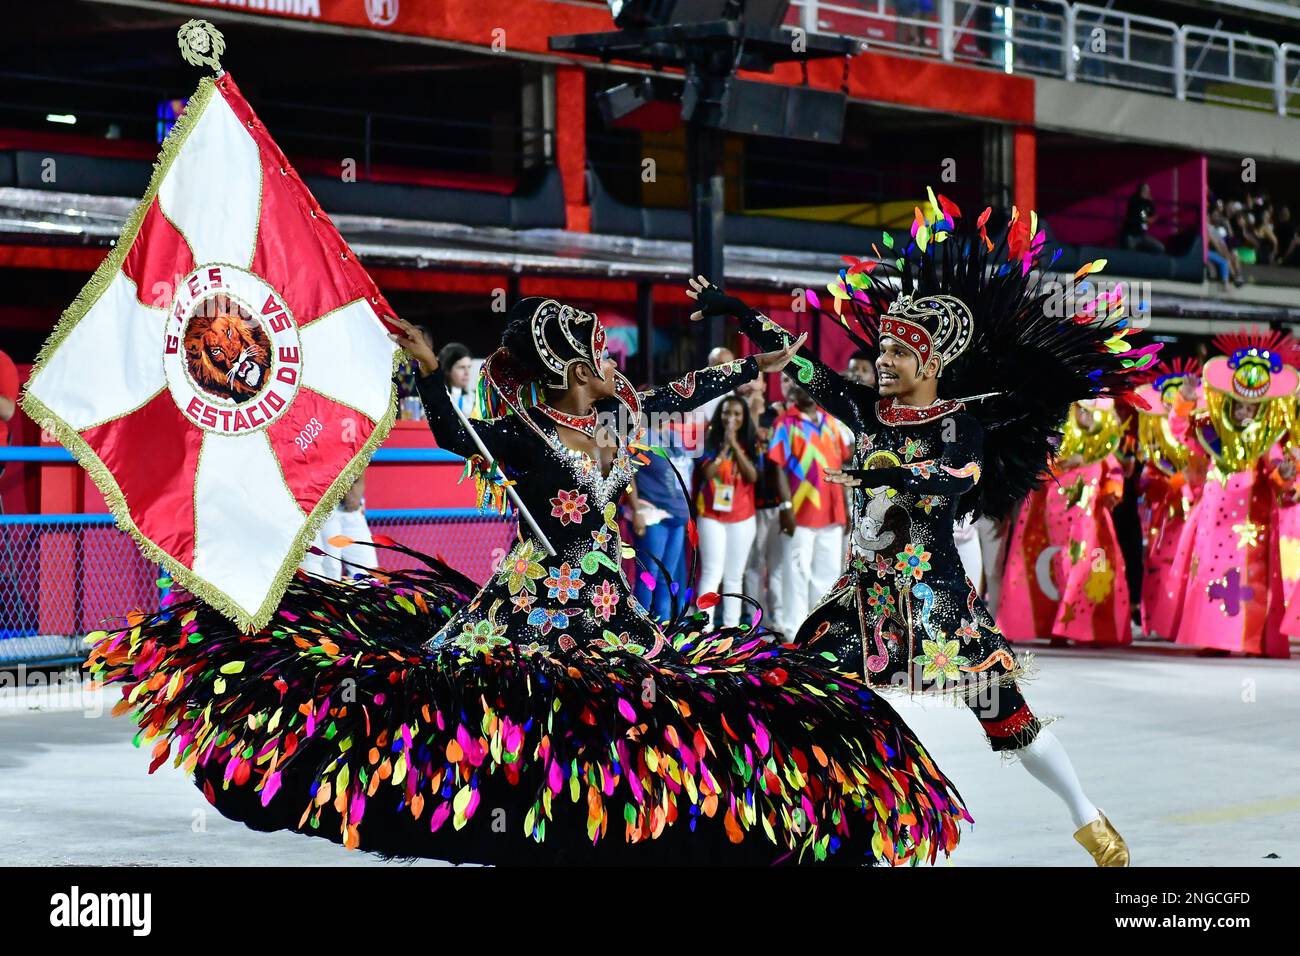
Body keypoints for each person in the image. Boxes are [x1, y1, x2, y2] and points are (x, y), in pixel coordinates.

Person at [86, 296, 969, 865]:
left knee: (654, 697)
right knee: (514, 702)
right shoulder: (520, 433)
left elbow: (682, 394)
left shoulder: (622, 415)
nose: (613, 360)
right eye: (597, 350)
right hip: (533, 603)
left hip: (612, 607)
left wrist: (756, 363)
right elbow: (451, 439)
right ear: (572, 371)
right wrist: (428, 374)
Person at [688, 191, 1151, 866]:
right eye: (880, 351)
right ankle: (809, 823)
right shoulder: (870, 412)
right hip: (861, 601)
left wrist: (893, 479)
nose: (882, 363)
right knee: (799, 683)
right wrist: (739, 314)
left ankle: (1088, 820)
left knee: (1010, 724)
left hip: (938, 611)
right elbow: (800, 361)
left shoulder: (957, 423)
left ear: (930, 364)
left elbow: (960, 477)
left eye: (897, 355)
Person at [1165, 330, 1299, 658]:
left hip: (1249, 524)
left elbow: (1280, 475)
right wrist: (1184, 398)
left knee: (1249, 582)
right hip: (1214, 520)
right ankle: (1213, 639)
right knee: (1212, 576)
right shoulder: (1211, 427)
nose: (1244, 410)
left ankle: (1248, 640)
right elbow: (1179, 431)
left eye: (1252, 406)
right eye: (1240, 403)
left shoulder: (1269, 437)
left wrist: (1284, 476)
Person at [998, 400, 1132, 647]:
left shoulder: (1101, 448)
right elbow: (1037, 466)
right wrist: (1060, 463)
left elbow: (1114, 472)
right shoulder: (1057, 440)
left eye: (1093, 413)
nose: (1087, 417)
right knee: (1053, 570)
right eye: (1082, 410)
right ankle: (1053, 625)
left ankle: (1081, 628)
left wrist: (1113, 490)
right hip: (1048, 522)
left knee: (1087, 570)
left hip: (1089, 526)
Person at [1129, 359, 1206, 639]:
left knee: (1188, 572)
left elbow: (1202, 472)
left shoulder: (1201, 436)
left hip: (1194, 516)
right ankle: (1157, 622)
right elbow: (1146, 482)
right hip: (1164, 522)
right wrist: (1173, 482)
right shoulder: (1157, 446)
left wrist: (1190, 483)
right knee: (1158, 569)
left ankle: (1183, 623)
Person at [767, 383, 851, 639]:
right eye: (800, 387)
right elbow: (777, 467)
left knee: (827, 575)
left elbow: (843, 463)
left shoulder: (831, 422)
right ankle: (794, 632)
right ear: (794, 392)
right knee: (797, 573)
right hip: (800, 511)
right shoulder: (784, 423)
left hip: (832, 511)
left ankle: (819, 631)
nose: (807, 391)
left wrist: (845, 507)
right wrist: (785, 506)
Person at [694, 395, 760, 628]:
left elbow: (752, 476)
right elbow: (707, 474)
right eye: (726, 413)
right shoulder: (709, 441)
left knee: (734, 576)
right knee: (712, 572)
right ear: (719, 415)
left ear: (744, 418)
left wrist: (735, 446)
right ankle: (704, 627)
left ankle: (731, 628)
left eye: (736, 414)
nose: (731, 418)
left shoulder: (751, 442)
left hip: (742, 518)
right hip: (711, 516)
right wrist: (724, 448)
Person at [744, 405, 786, 634]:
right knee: (754, 566)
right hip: (754, 509)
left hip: (780, 507)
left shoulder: (779, 429)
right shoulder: (746, 438)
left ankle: (778, 618)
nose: (764, 433)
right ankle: (754, 619)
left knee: (778, 567)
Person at [300, 473, 379, 581]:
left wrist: (357, 495)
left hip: (350, 511)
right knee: (330, 572)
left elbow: (361, 462)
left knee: (370, 575)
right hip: (322, 507)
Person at [437, 341, 479, 418]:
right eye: (461, 367)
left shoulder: (475, 399)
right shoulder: (436, 397)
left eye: (469, 367)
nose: (467, 373)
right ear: (447, 370)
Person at [1122, 183, 1164, 254]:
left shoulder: (1147, 202)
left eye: (1147, 191)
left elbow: (1154, 215)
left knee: (1159, 248)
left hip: (1142, 235)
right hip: (1131, 235)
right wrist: (1148, 219)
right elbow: (1144, 217)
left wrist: (1151, 203)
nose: (1146, 192)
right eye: (1144, 190)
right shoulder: (1134, 201)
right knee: (1130, 255)